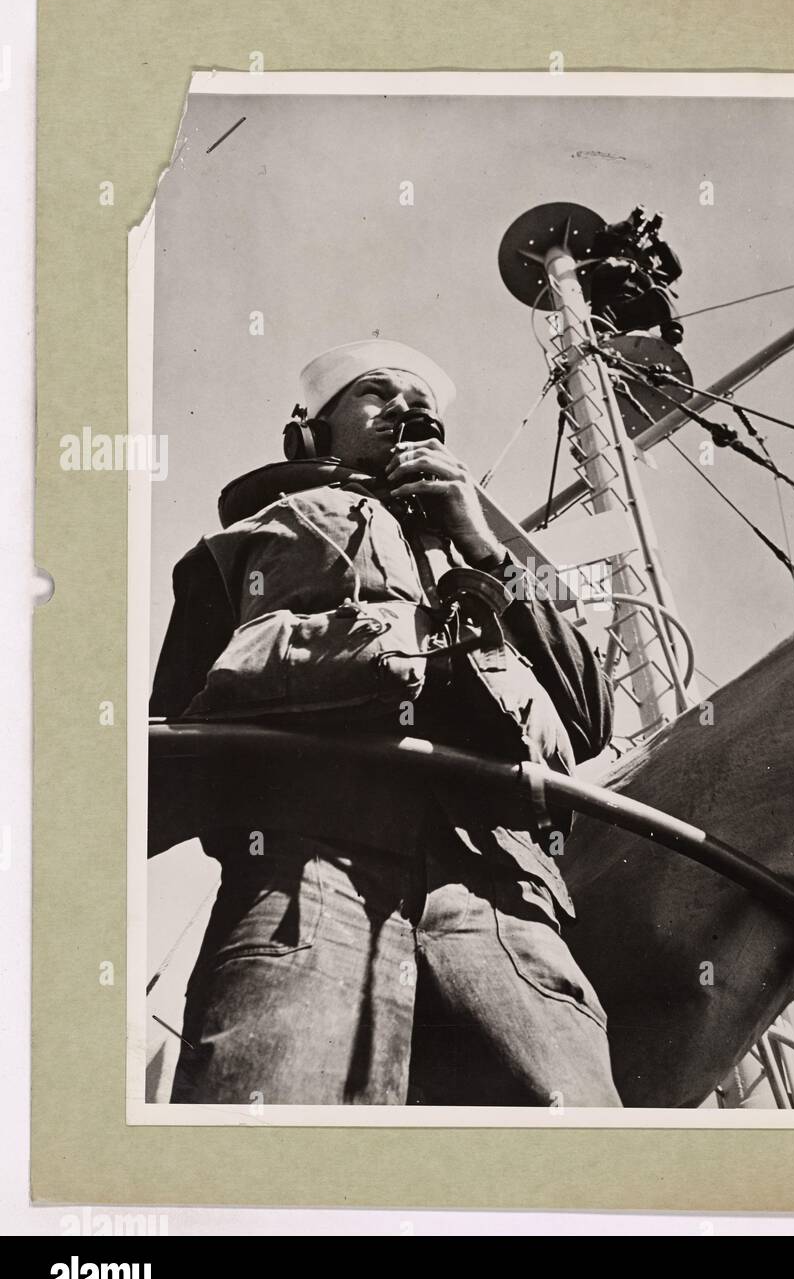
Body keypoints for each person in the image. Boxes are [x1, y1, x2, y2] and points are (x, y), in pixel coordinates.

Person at [151, 339, 621, 1107]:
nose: (409, 411)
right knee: (269, 1141)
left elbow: (589, 716)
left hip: (503, 902)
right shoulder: (244, 544)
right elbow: (173, 729)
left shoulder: (485, 562)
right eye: (377, 392)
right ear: (307, 431)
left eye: (424, 407)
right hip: (304, 872)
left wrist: (484, 549)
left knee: (578, 1165)